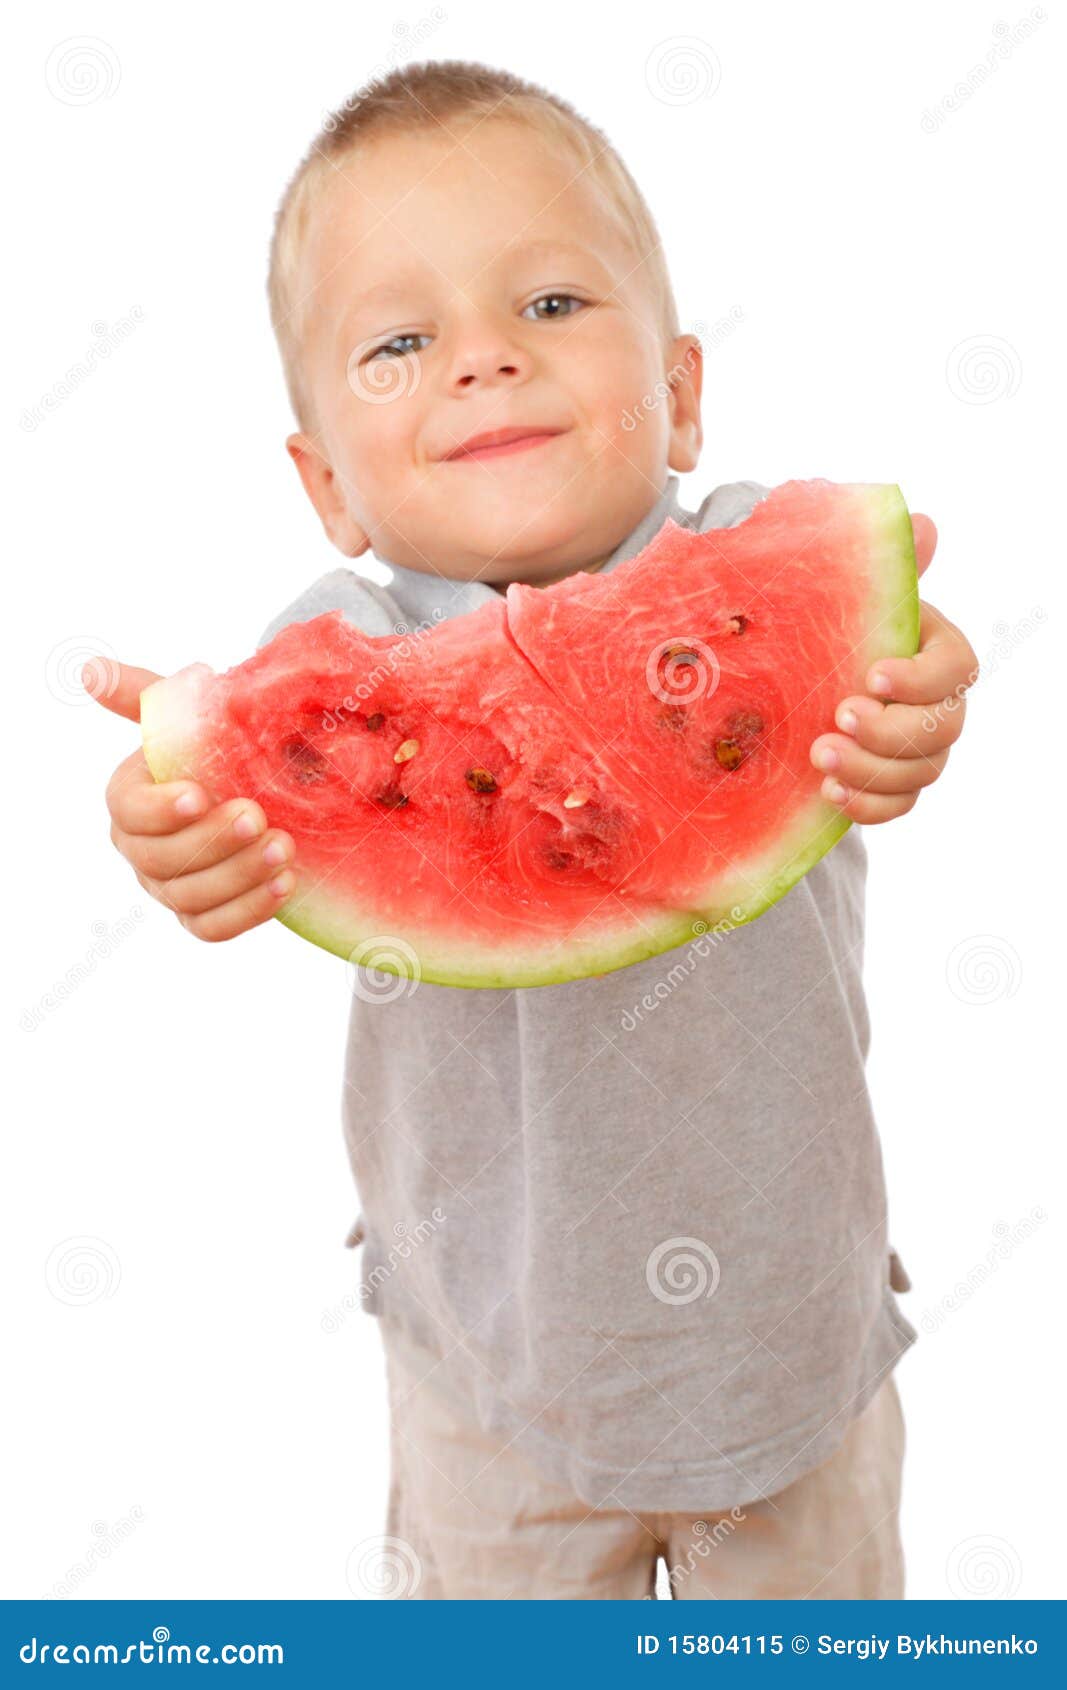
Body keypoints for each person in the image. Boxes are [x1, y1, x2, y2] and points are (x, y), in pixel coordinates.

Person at [87, 61, 978, 1600]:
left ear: (683, 390)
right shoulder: (335, 652)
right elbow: (210, 788)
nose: (485, 361)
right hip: (488, 1368)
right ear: (327, 489)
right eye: (400, 342)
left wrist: (924, 694)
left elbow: (909, 659)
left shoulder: (763, 564)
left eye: (553, 307)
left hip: (793, 1348)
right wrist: (168, 821)